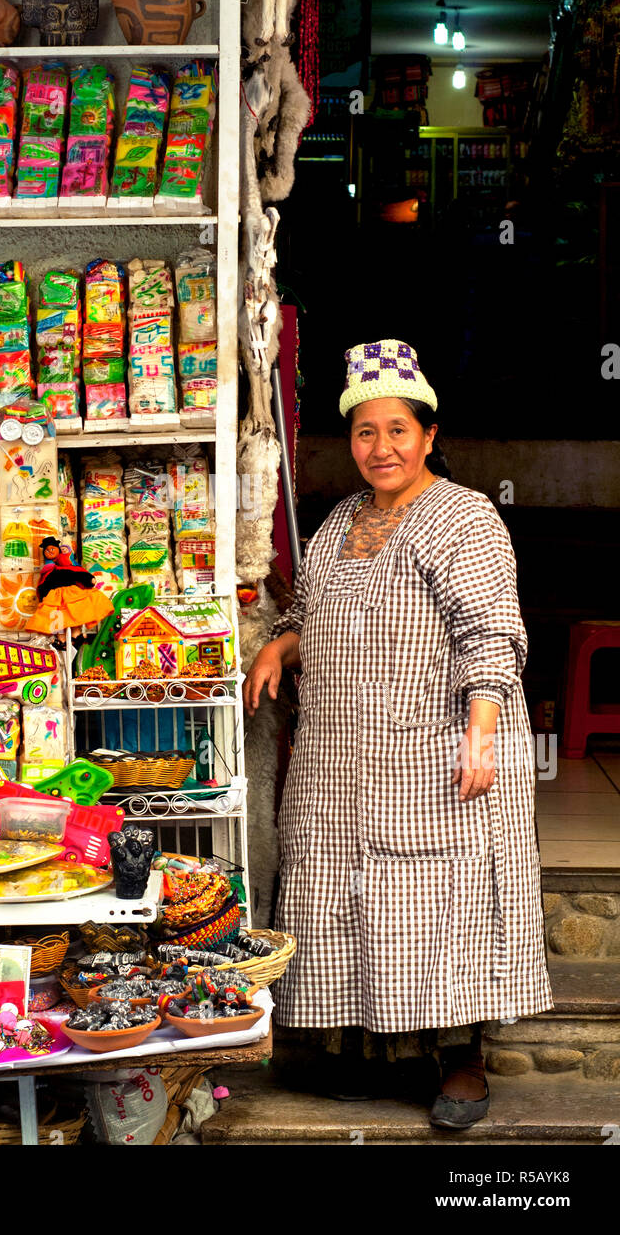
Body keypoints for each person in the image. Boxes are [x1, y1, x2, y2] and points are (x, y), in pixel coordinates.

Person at [243, 338, 553, 1130]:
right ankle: (370, 1052)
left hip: (432, 748)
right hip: (342, 756)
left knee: (437, 897)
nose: (380, 448)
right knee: (342, 894)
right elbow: (313, 613)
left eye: (397, 431)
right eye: (363, 432)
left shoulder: (464, 517)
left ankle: (460, 1060)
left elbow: (493, 635)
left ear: (429, 434)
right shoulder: (341, 519)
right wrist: (282, 643)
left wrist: (482, 730)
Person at [25, 536, 113, 637]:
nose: (50, 551)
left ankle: (75, 636)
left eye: (52, 549)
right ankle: (62, 639)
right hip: (55, 598)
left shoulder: (65, 565)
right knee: (58, 621)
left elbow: (76, 573)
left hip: (71, 594)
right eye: (47, 550)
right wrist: (43, 595)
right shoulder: (48, 571)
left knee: (74, 616)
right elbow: (44, 584)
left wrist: (88, 579)